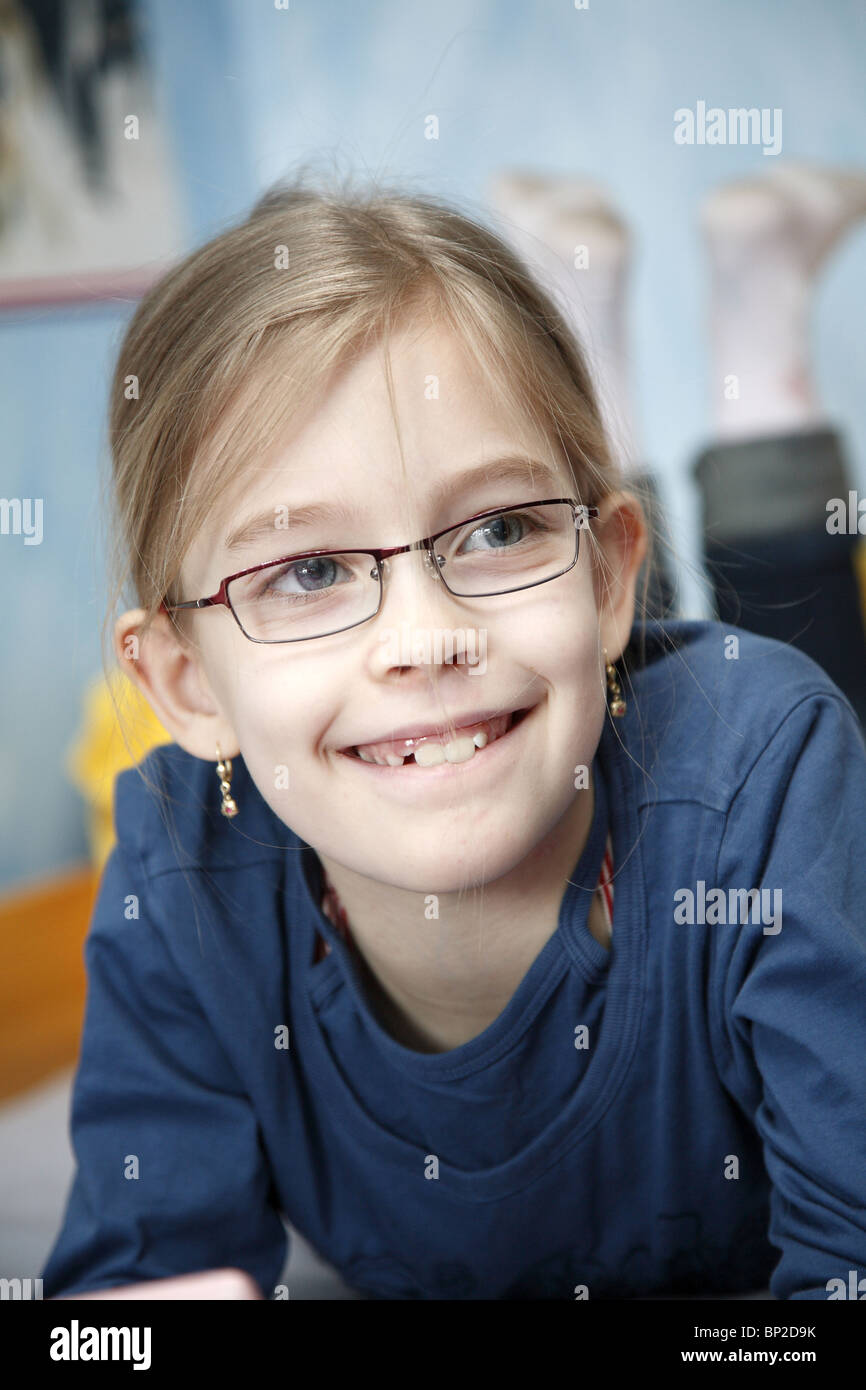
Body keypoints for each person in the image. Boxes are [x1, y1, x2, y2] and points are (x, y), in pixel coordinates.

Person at [41, 172, 866, 1301]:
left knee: (775, 649)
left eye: (495, 526)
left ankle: (730, 328)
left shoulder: (762, 770)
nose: (425, 640)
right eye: (308, 571)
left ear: (615, 574)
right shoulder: (180, 868)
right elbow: (129, 1296)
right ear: (186, 684)